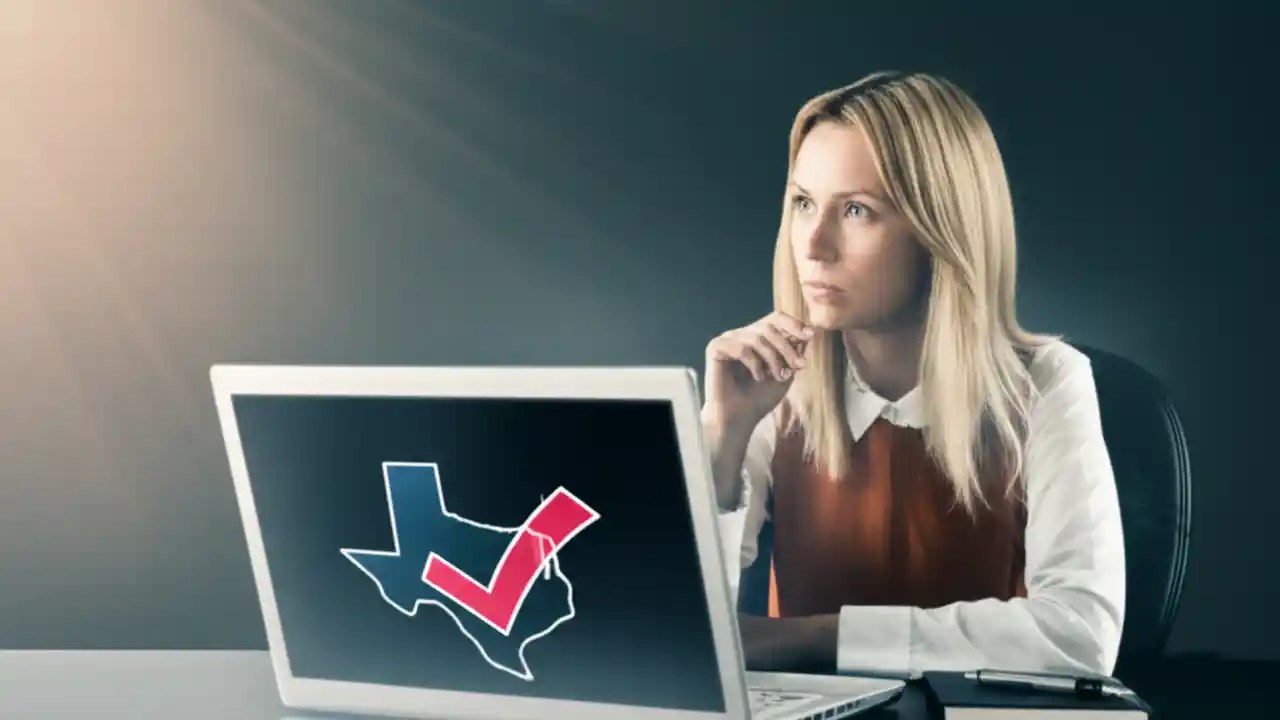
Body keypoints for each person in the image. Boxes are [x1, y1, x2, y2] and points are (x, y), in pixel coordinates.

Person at [702, 71, 1125, 679]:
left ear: (941, 229)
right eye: (802, 203)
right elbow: (681, 628)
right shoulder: (774, 384)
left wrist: (807, 639)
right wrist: (722, 438)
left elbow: (1080, 637)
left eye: (856, 210)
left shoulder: (1048, 383)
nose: (813, 245)